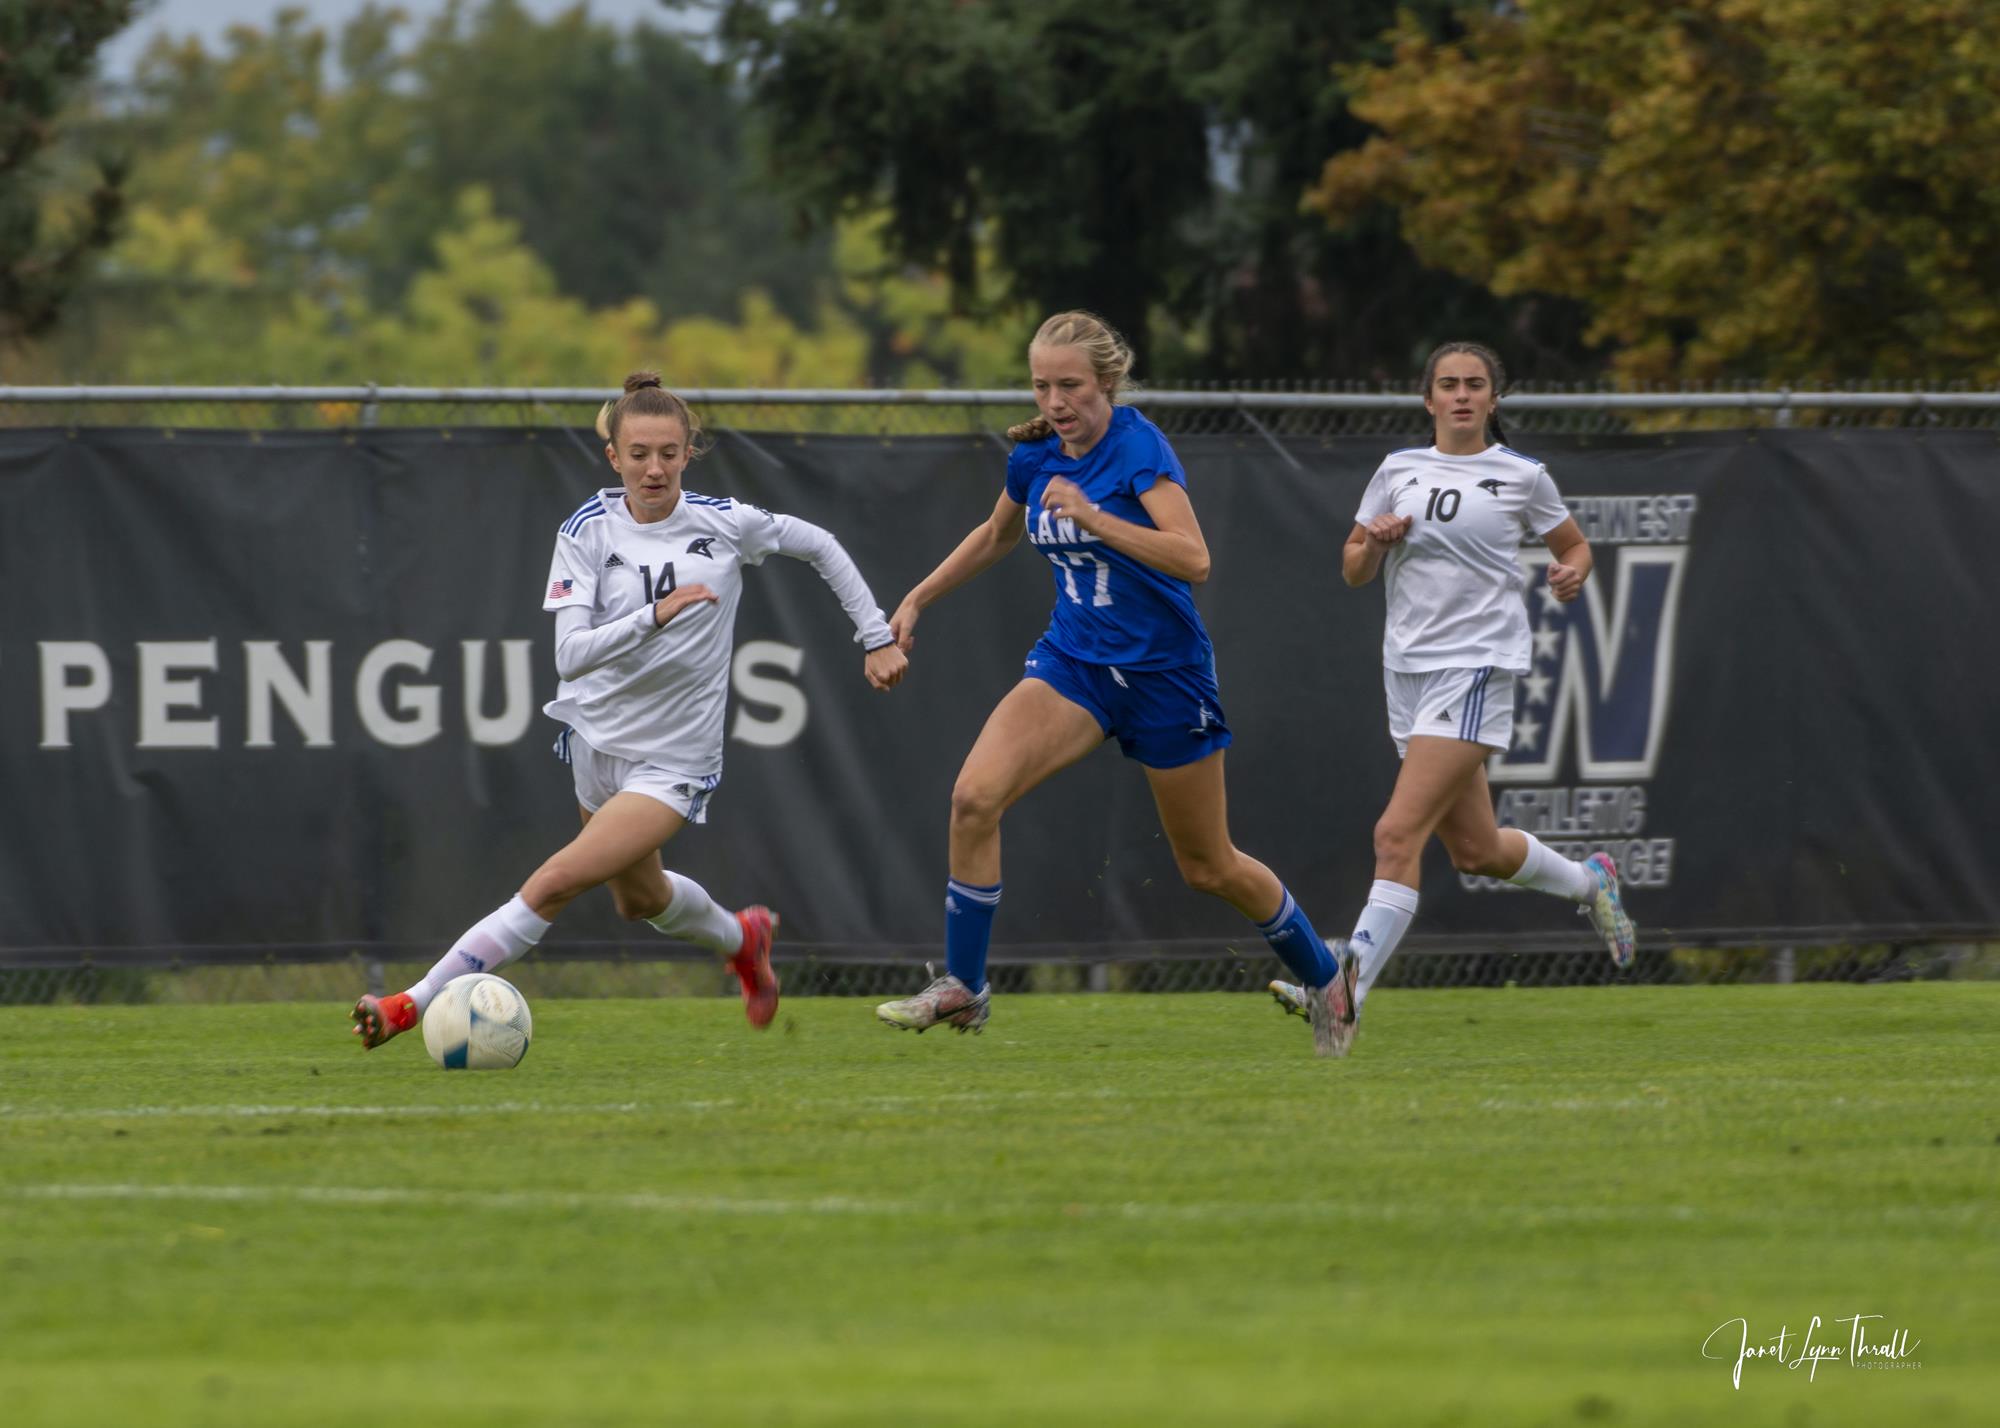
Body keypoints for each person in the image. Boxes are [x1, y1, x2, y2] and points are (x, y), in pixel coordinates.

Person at [352, 372, 908, 1049]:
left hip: (673, 759)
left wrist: (874, 634)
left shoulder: (726, 525)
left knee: (554, 882)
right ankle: (743, 937)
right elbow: (571, 657)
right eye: (638, 453)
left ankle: (408, 1004)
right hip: (595, 744)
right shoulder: (587, 530)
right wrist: (654, 615)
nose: (654, 468)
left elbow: (819, 543)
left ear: (689, 452)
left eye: (669, 453)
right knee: (638, 900)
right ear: (613, 456)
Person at [873, 310, 1353, 1054]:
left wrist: (1095, 517)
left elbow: (1193, 559)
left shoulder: (1138, 447)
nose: (1056, 402)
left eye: (1072, 386)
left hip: (1166, 677)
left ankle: (1328, 981)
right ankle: (965, 988)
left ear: (1107, 383)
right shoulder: (1036, 457)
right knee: (973, 799)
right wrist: (916, 598)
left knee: (1207, 865)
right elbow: (997, 534)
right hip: (1074, 666)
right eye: (1041, 386)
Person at [1270, 341, 1637, 1056]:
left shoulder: (1522, 476)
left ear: (1493, 400)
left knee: (1394, 835)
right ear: (1428, 398)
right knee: (1476, 850)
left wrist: (1571, 574)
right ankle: (1593, 883)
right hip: (1407, 672)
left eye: (1475, 385)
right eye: (1449, 384)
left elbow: (1577, 547)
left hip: (1477, 666)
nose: (1462, 395)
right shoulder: (1397, 471)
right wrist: (1373, 543)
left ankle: (1343, 992)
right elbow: (1351, 569)